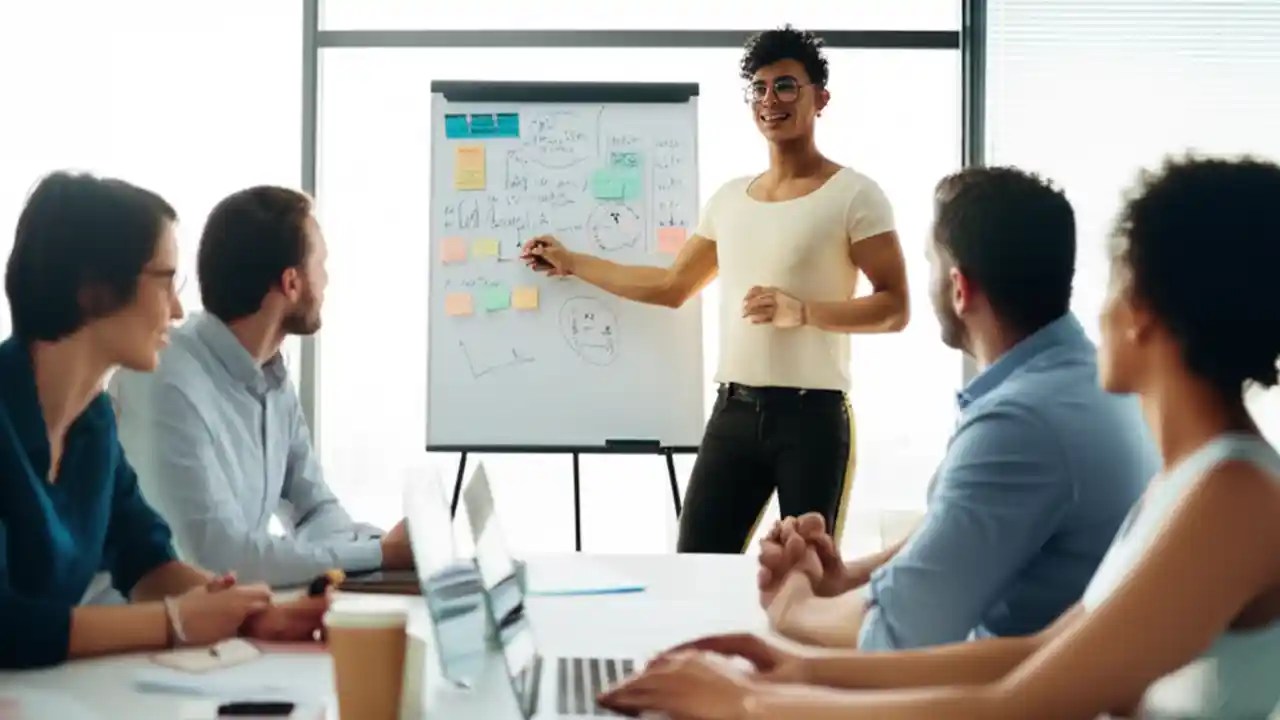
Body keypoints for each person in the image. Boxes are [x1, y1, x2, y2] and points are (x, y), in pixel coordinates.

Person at [599, 155, 1280, 719]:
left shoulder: (1235, 494)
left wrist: (750, 702)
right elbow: (1039, 651)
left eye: (1115, 284)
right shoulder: (1196, 479)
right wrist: (799, 667)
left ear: (1144, 314)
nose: (1096, 310)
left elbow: (1022, 700)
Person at [522, 25, 910, 554]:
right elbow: (670, 285)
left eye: (786, 86)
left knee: (807, 575)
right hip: (733, 414)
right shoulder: (730, 199)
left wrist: (804, 311)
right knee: (695, 566)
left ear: (820, 98)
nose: (770, 100)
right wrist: (571, 262)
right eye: (760, 88)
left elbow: (895, 307)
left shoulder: (856, 194)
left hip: (812, 420)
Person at [754, 166, 1158, 651]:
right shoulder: (1080, 383)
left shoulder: (1021, 424)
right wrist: (847, 579)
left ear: (959, 288)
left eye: (929, 264)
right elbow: (963, 533)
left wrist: (790, 602)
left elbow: (899, 635)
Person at [0, 172, 327, 670]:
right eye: (165, 281)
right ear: (95, 290)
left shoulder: (92, 423)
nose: (177, 310)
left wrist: (254, 615)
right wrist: (176, 622)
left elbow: (145, 558)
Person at [111, 186, 413, 588]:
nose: (327, 278)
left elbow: (313, 510)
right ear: (291, 283)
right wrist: (377, 554)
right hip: (154, 631)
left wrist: (384, 551)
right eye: (321, 264)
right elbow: (218, 558)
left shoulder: (272, 377)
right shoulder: (164, 378)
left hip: (226, 620)